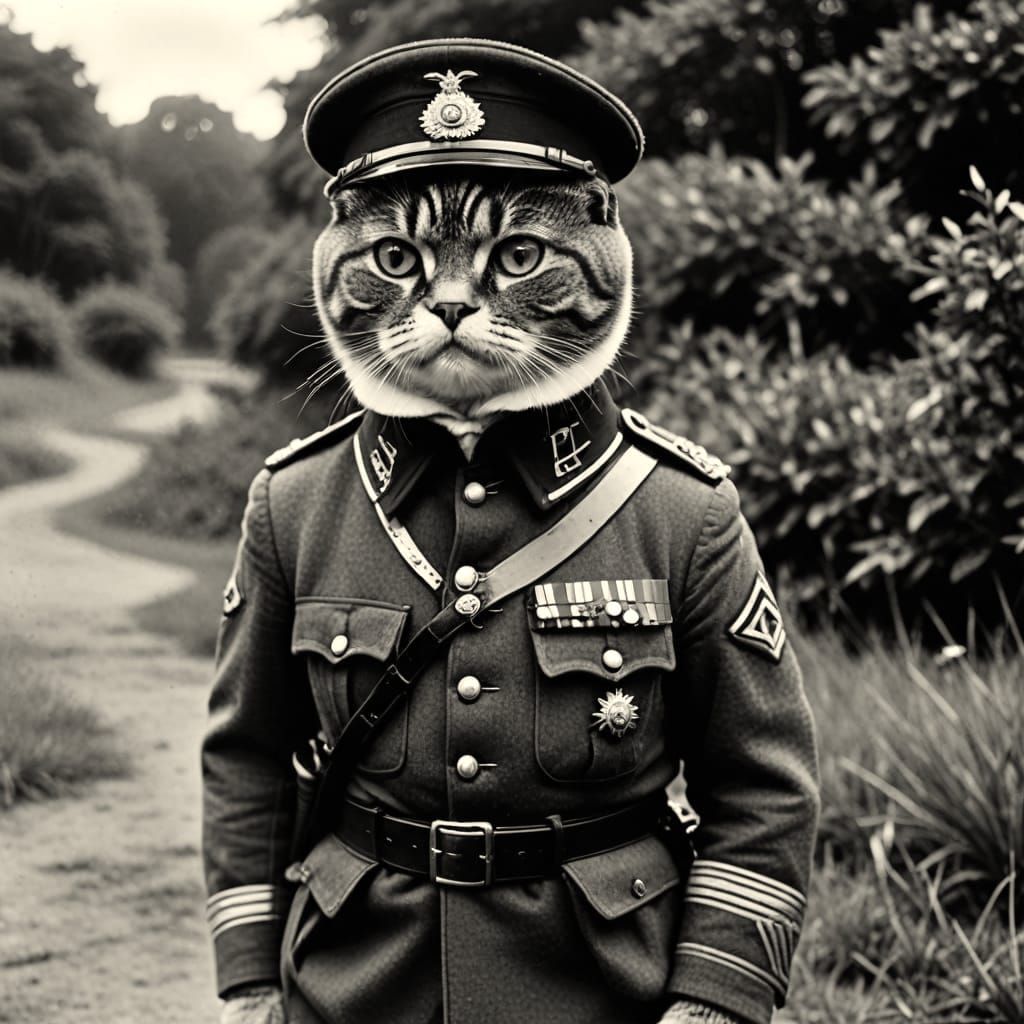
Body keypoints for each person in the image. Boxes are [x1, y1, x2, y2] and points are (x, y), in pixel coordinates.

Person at [202, 37, 820, 1024]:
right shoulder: (293, 503)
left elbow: (764, 792)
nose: (450, 301)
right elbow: (245, 760)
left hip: (601, 991)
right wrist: (245, 982)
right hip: (352, 986)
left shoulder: (681, 511)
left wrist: (713, 1001)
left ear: (597, 246)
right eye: (398, 258)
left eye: (517, 254)